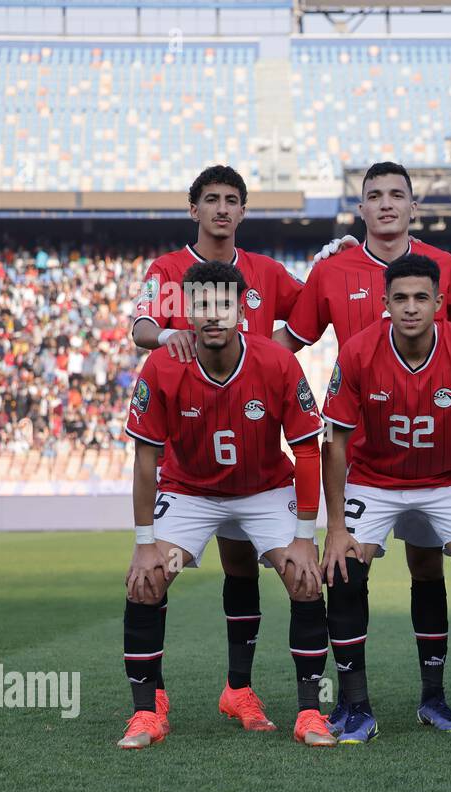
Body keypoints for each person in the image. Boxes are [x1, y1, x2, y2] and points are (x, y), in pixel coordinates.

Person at [277, 162, 451, 727]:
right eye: (373, 196)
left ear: (414, 207)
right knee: (343, 569)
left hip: (436, 460)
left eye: (397, 195)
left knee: (428, 570)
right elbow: (287, 341)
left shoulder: (444, 268)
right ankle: (352, 699)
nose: (386, 203)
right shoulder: (332, 270)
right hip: (362, 461)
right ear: (359, 209)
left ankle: (434, 697)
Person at [119, 261, 331, 749]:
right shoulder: (164, 365)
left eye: (222, 305)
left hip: (263, 493)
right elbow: (145, 458)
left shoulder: (277, 362)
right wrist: (145, 543)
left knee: (304, 578)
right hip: (191, 493)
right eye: (200, 306)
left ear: (241, 310)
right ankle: (147, 714)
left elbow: (305, 448)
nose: (211, 316)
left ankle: (309, 712)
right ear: (186, 312)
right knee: (146, 582)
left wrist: (303, 535)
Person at [130, 165, 305, 730]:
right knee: (151, 577)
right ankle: (149, 704)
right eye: (212, 200)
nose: (223, 209)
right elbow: (141, 326)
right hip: (193, 464)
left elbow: (312, 312)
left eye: (233, 200)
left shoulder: (267, 272)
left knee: (242, 566)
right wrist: (167, 335)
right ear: (195, 209)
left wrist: (339, 262)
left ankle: (240, 690)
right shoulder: (168, 270)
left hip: (256, 464)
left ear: (244, 211)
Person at [318, 255, 451, 744]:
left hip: (449, 480)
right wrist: (336, 528)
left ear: (440, 303)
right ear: (384, 304)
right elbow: (334, 440)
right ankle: (356, 705)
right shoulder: (359, 351)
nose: (410, 308)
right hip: (375, 480)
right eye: (399, 298)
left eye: (421, 298)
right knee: (342, 570)